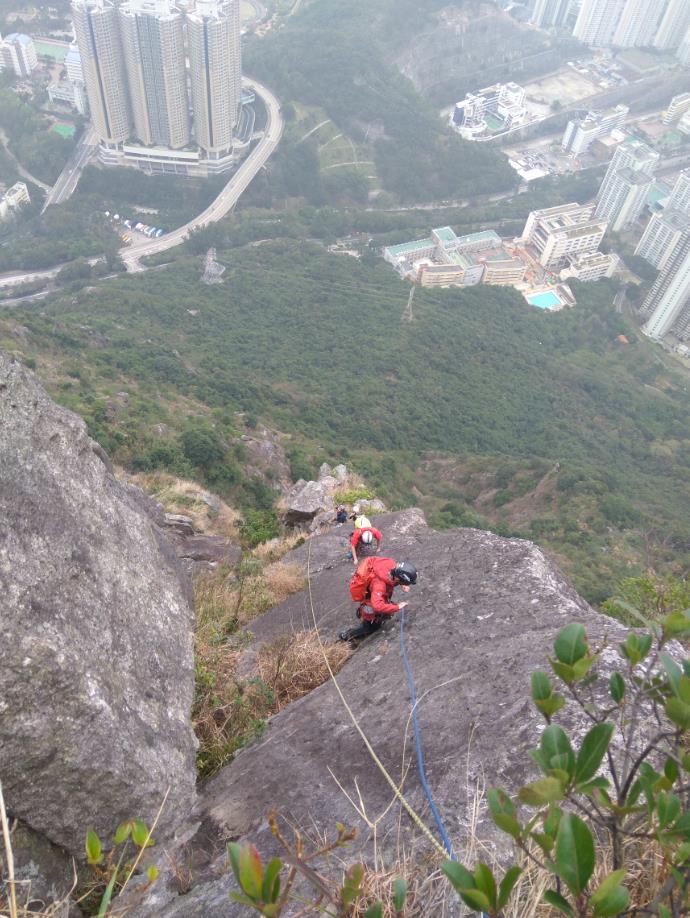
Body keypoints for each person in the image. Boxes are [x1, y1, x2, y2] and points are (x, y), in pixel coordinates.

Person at [339, 558, 417, 642]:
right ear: (399, 578)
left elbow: (394, 580)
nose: (406, 584)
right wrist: (397, 607)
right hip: (370, 601)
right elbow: (377, 606)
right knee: (370, 627)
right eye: (405, 582)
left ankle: (365, 616)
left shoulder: (391, 564)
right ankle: (347, 635)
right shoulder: (379, 585)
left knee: (380, 611)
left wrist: (402, 584)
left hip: (373, 593)